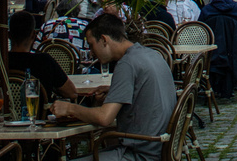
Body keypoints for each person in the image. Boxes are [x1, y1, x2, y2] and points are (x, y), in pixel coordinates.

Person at [51, 13, 176, 160]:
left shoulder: (127, 63)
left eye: (91, 45)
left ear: (104, 40)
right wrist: (114, 91)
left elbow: (105, 118)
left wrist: (70, 108)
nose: (91, 53)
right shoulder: (152, 55)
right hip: (161, 149)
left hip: (140, 154)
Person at [0, 11, 79, 101]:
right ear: (33, 35)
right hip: (39, 118)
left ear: (9, 35)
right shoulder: (44, 62)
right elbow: (72, 93)